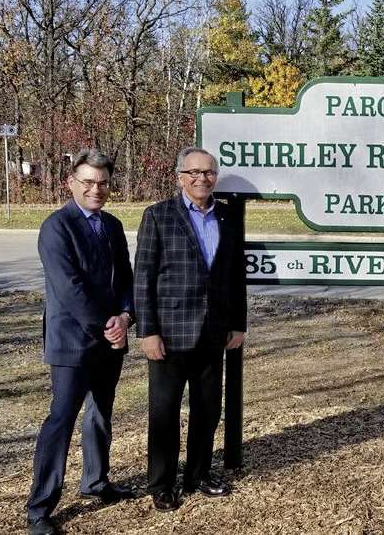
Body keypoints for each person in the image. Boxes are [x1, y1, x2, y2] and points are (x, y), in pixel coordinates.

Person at [26, 149, 134, 535]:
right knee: (61, 419)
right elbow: (68, 288)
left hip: (110, 340)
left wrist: (126, 316)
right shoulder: (57, 227)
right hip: (72, 342)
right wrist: (107, 325)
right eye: (87, 181)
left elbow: (126, 279)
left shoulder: (113, 225)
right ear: (70, 183)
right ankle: (40, 508)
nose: (96, 189)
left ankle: (96, 481)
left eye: (103, 183)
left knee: (101, 413)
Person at [134, 146, 247, 513]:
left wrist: (238, 323)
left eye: (209, 172)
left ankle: (198, 474)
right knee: (164, 413)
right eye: (194, 172)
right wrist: (147, 331)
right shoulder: (158, 216)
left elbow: (235, 276)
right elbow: (143, 278)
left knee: (208, 410)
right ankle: (162, 483)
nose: (202, 178)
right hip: (169, 335)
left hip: (213, 333)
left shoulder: (227, 217)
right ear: (180, 176)